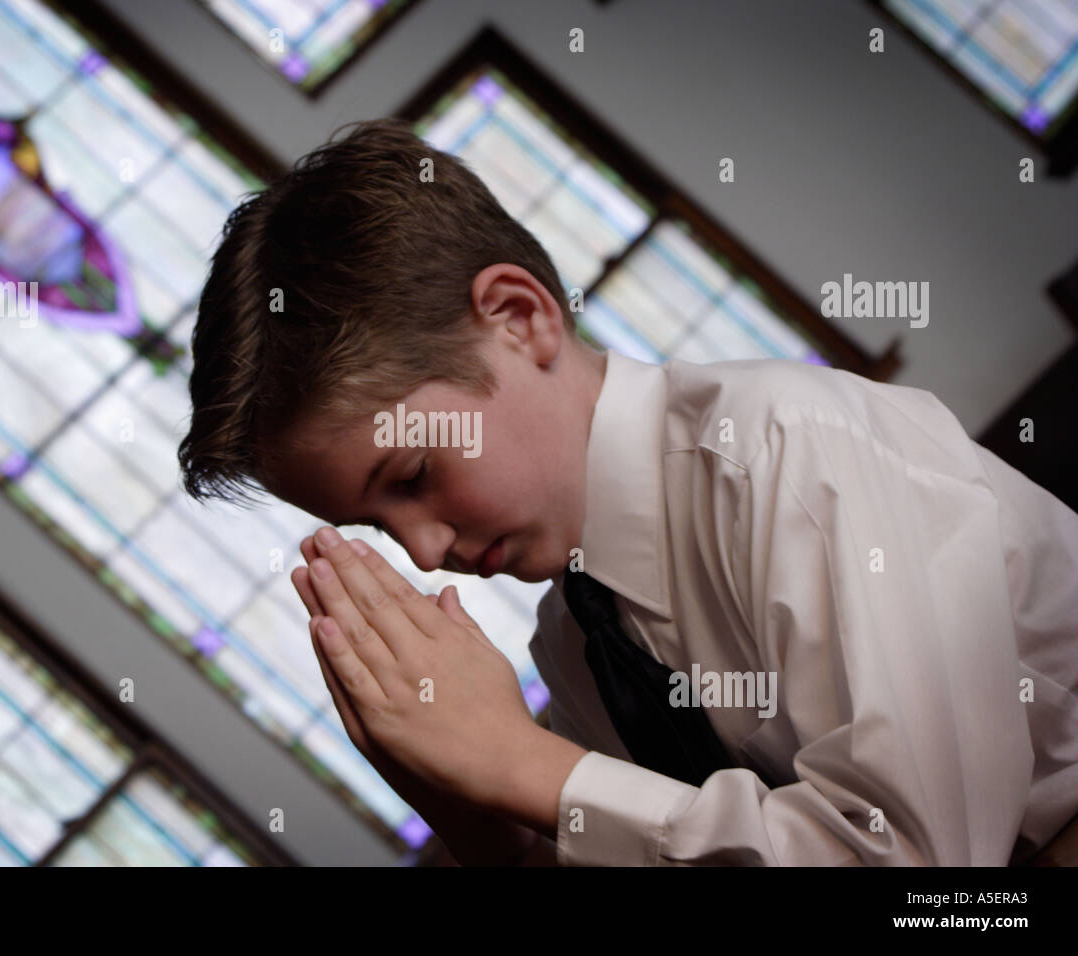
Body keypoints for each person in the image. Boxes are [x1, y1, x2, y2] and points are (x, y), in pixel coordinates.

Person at [177, 117, 1078, 865]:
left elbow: (932, 882)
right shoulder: (575, 641)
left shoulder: (787, 457)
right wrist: (471, 813)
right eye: (373, 526)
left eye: (413, 475)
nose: (420, 551)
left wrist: (521, 762)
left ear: (520, 318)